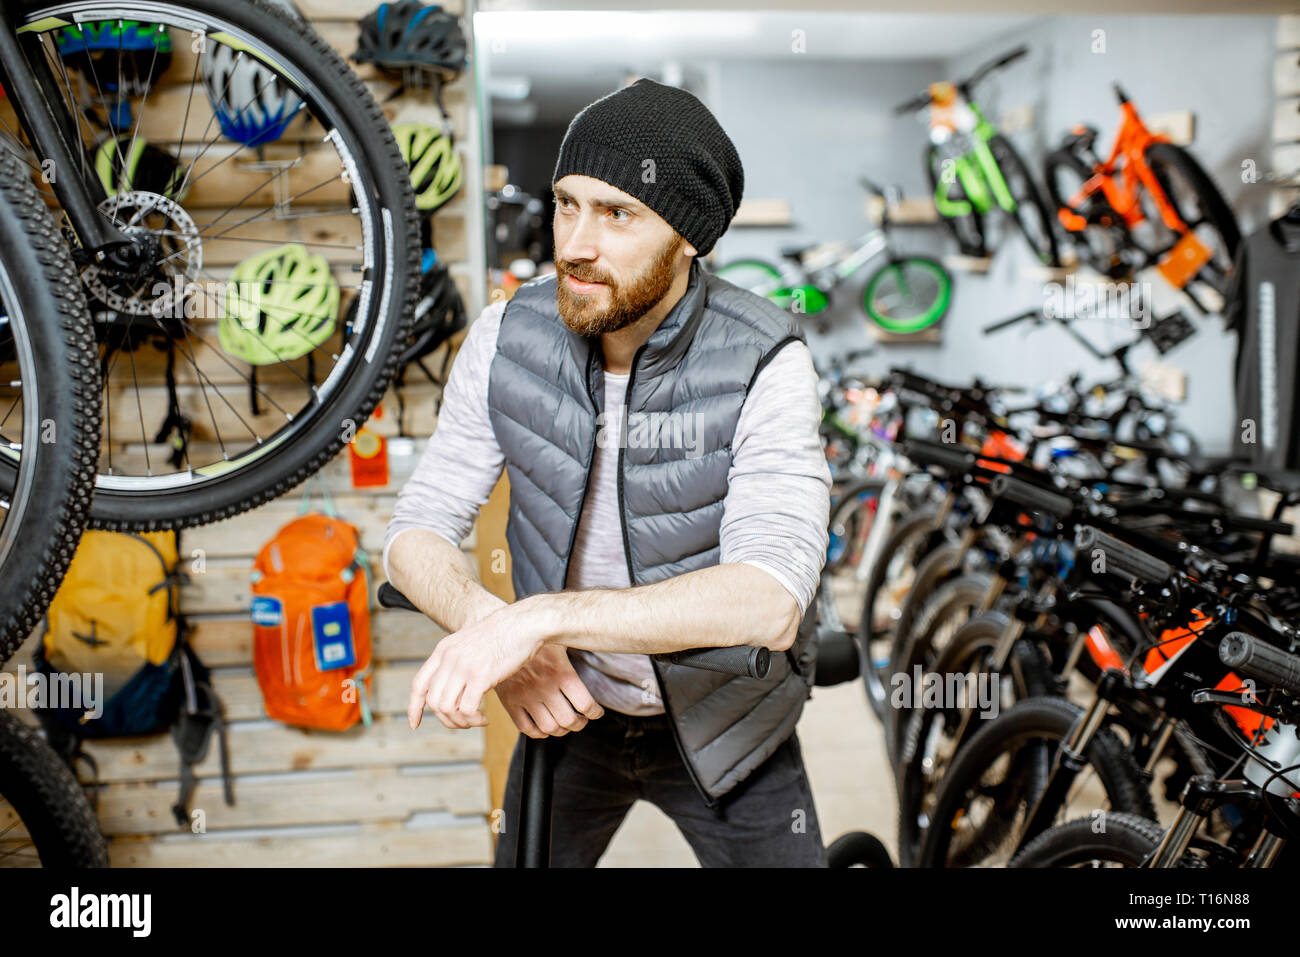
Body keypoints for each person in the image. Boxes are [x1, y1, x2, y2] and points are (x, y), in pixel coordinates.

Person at [383, 77, 832, 867]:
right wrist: (496, 629)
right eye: (566, 203)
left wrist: (536, 619)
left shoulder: (768, 358)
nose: (574, 244)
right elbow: (413, 531)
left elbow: (768, 598)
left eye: (617, 213)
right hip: (567, 717)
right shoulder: (506, 335)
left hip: (730, 724)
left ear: (689, 236)